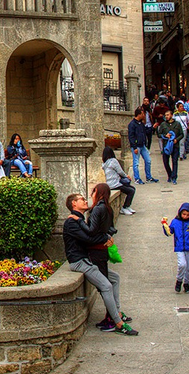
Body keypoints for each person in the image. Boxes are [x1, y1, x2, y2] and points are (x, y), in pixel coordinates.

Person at [62, 192, 137, 335]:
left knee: (114, 278)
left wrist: (106, 237)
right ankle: (118, 323)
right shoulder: (71, 222)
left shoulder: (78, 218)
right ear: (74, 204)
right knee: (106, 286)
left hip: (87, 260)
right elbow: (88, 239)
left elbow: (91, 234)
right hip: (79, 262)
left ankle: (118, 313)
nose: (85, 201)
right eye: (81, 199)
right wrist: (105, 239)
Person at [101, 145, 135, 215]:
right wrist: (126, 176)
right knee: (131, 191)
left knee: (131, 189)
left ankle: (127, 206)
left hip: (109, 184)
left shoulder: (104, 163)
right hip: (115, 184)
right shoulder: (113, 161)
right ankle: (125, 207)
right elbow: (120, 171)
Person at [126, 108, 157, 184]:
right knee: (136, 162)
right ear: (139, 114)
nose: (144, 115)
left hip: (142, 145)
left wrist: (152, 128)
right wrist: (134, 147)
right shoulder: (132, 124)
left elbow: (145, 131)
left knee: (148, 160)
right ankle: (137, 178)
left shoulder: (141, 124)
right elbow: (131, 136)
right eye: (142, 114)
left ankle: (148, 177)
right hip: (136, 146)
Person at [157, 110, 184, 185]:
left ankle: (174, 177)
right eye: (165, 115)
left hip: (175, 145)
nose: (166, 116)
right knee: (165, 162)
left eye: (168, 115)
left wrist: (176, 140)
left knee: (174, 161)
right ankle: (169, 174)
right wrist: (165, 136)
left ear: (171, 115)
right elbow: (159, 134)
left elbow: (182, 134)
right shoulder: (163, 124)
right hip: (166, 146)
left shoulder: (177, 124)